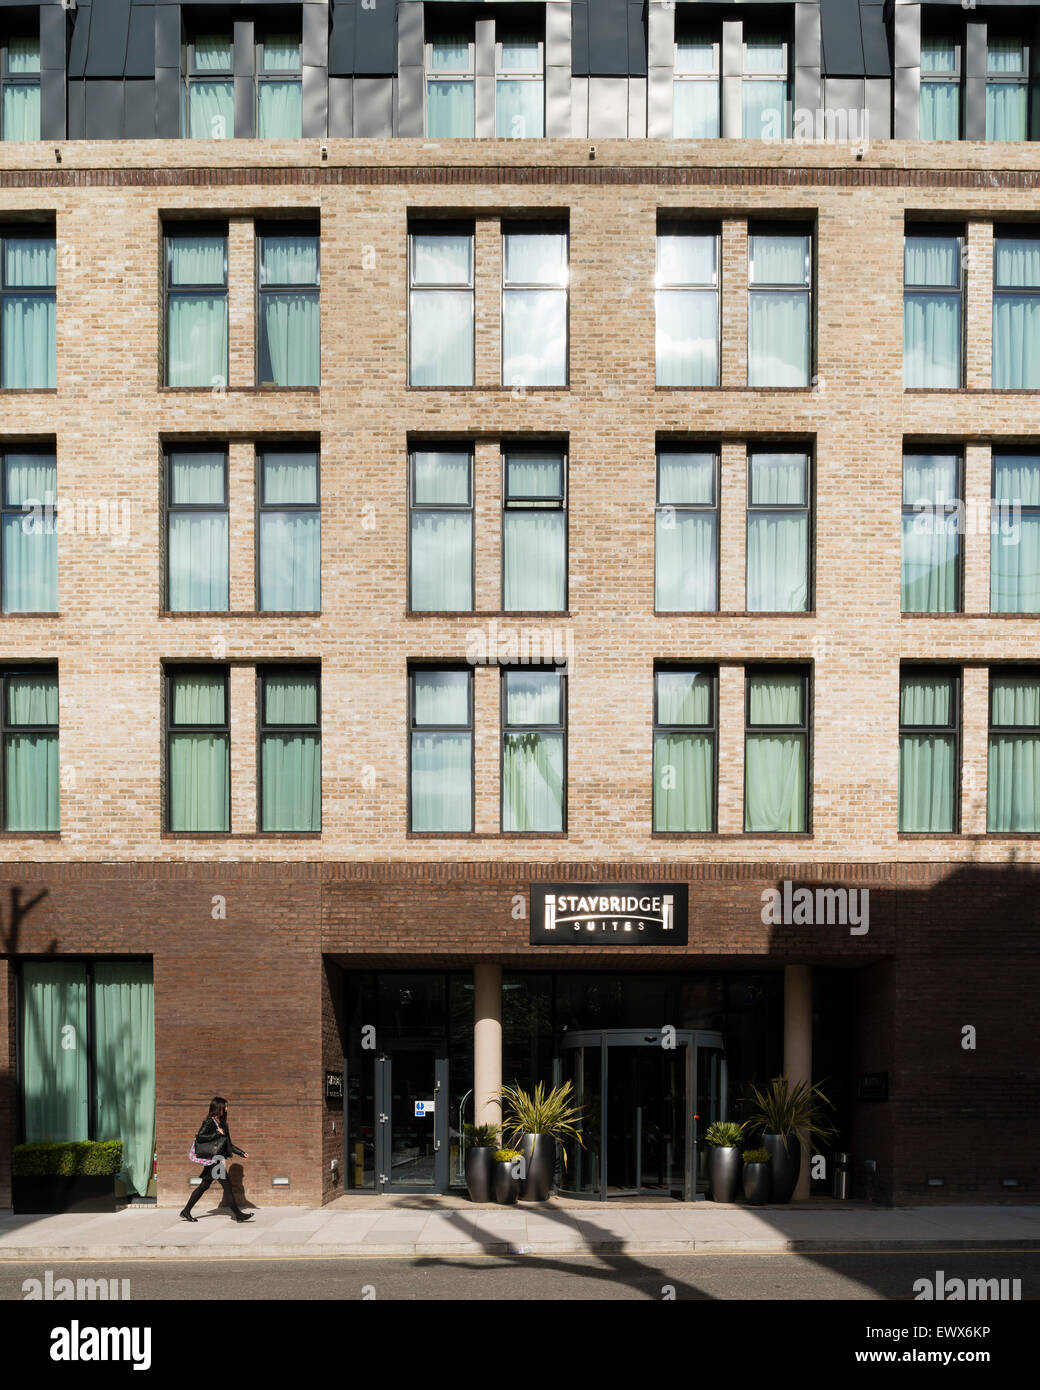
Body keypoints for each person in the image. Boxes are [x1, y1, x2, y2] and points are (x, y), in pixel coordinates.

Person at [181, 1096, 254, 1222]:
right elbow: (200, 1137)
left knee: (204, 1185)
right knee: (227, 1186)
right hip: (214, 1161)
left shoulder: (223, 1124)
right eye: (225, 1106)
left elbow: (228, 1145)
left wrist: (241, 1153)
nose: (227, 1108)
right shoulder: (209, 1122)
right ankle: (238, 1215)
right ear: (219, 1107)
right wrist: (216, 1133)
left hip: (217, 1159)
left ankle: (186, 1211)